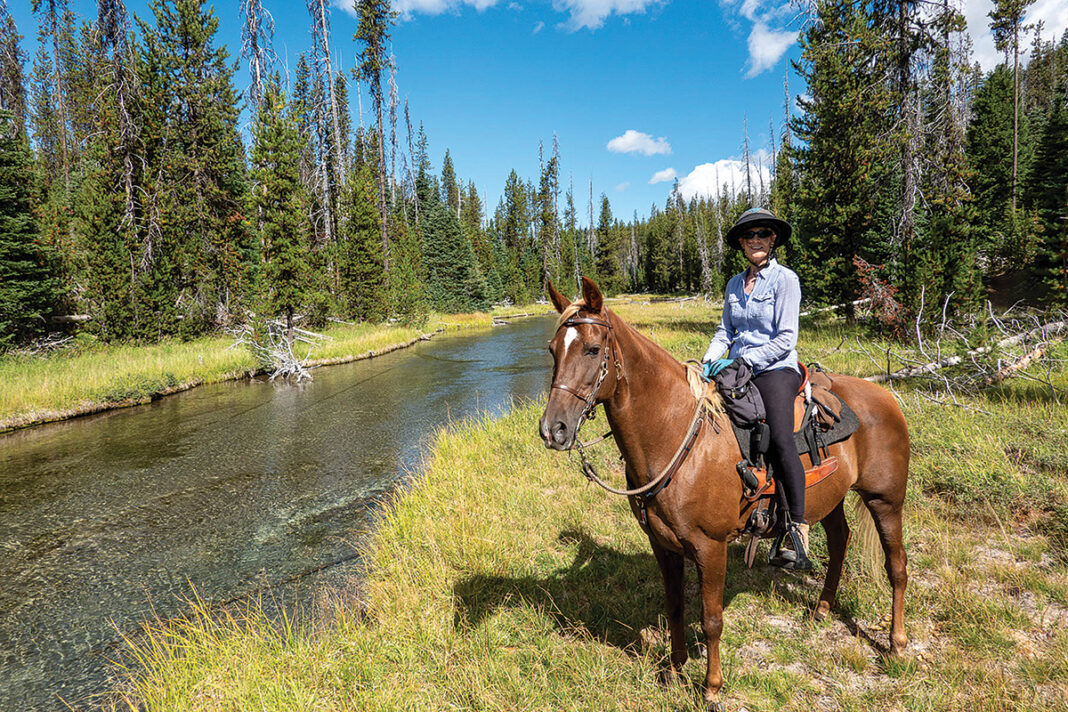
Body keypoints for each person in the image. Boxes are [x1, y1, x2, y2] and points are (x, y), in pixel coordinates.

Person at [701, 207, 810, 570]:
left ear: (773, 239)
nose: (756, 240)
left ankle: (796, 528)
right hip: (737, 368)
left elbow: (785, 339)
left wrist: (746, 362)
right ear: (741, 243)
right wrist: (707, 362)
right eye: (749, 236)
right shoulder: (734, 284)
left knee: (780, 436)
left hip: (775, 368)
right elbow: (725, 332)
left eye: (762, 234)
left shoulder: (785, 280)